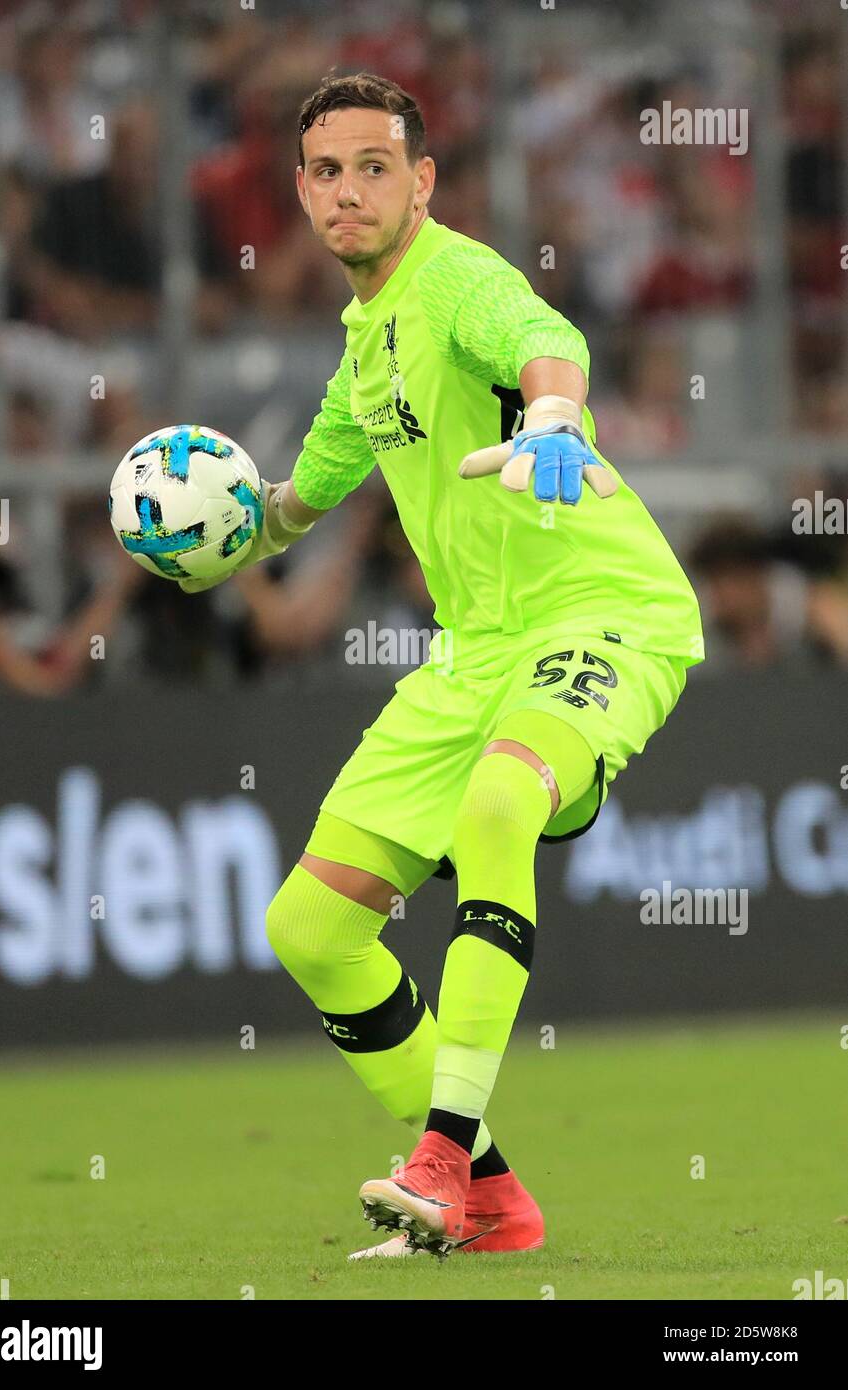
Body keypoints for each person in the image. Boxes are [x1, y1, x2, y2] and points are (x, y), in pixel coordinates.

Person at [178, 73, 705, 1259]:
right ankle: (495, 1200)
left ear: (422, 182)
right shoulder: (366, 343)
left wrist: (554, 417)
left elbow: (544, 341)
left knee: (501, 801)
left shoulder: (458, 281)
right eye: (326, 171)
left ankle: (440, 1161)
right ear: (302, 191)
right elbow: (296, 498)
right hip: (473, 656)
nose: (349, 191)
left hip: (601, 611)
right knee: (312, 928)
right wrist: (208, 537)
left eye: (376, 167)